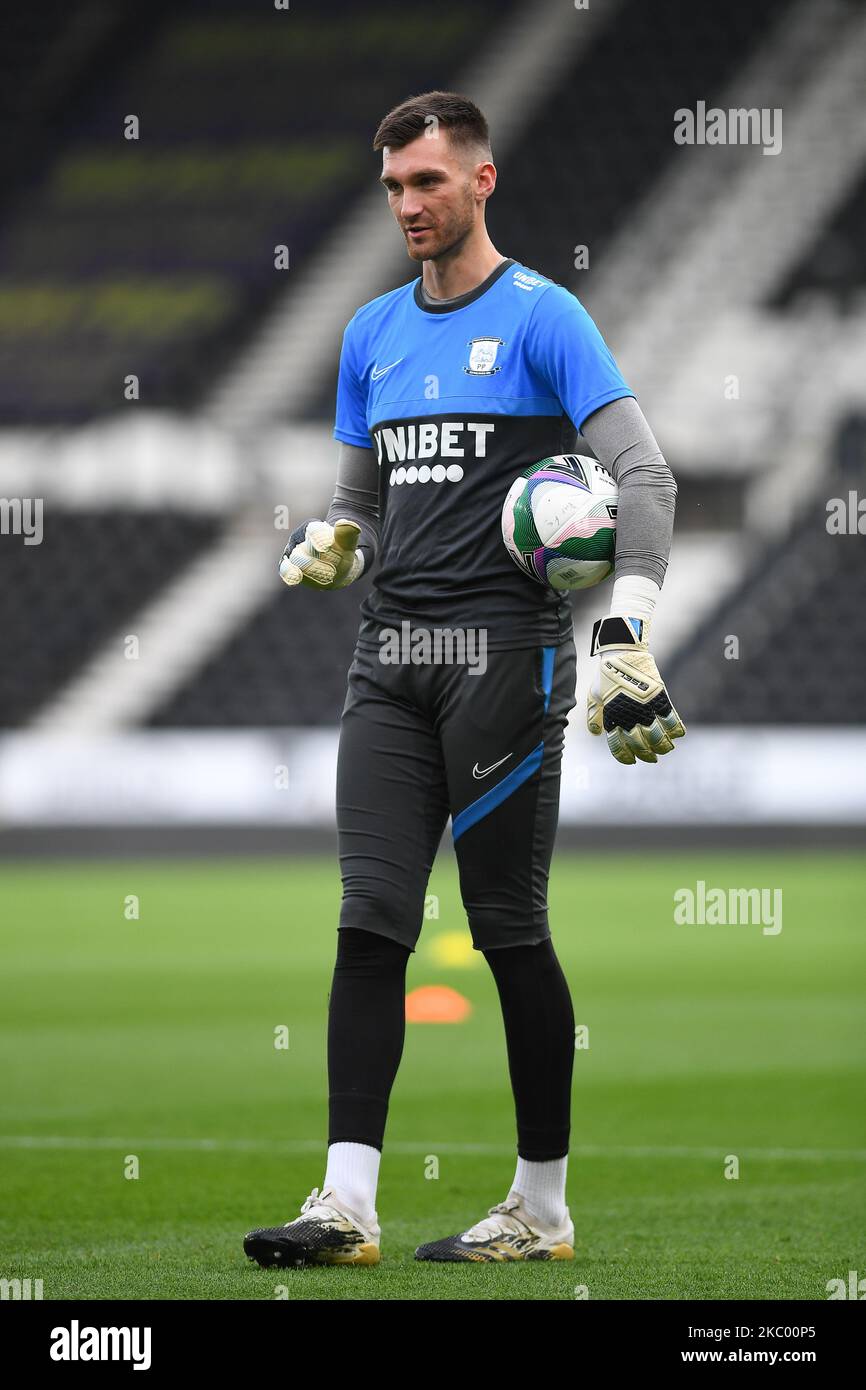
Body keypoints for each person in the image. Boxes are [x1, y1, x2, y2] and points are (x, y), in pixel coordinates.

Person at [243, 90, 684, 1269]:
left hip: (504, 658)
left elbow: (642, 478)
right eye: (392, 187)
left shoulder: (546, 318)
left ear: (481, 179)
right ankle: (345, 1207)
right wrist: (337, 537)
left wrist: (622, 631)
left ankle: (539, 1209)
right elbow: (359, 498)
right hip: (388, 663)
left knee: (505, 932)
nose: (407, 206)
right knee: (367, 921)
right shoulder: (370, 333)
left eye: (426, 182)